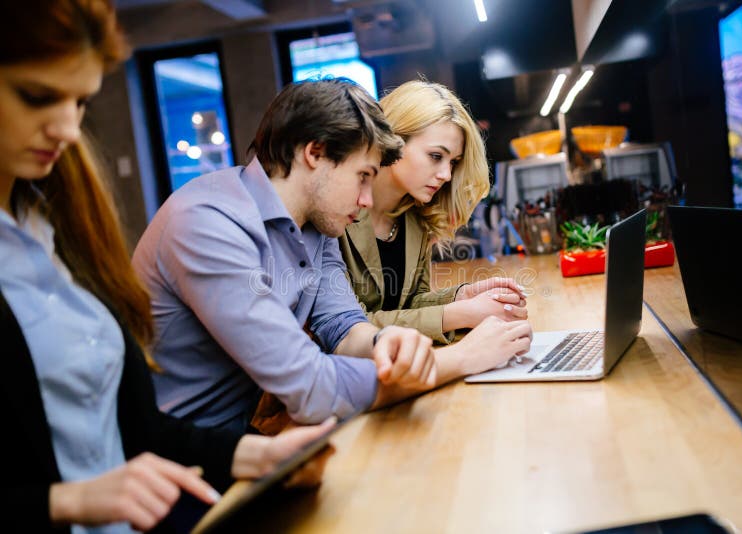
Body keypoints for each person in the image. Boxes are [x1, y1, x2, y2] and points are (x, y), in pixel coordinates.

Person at [0, 2, 338, 532]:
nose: (67, 129)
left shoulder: (57, 229)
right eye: (37, 97)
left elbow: (135, 429)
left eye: (82, 101)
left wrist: (256, 455)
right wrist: (65, 502)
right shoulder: (206, 220)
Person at [133, 77, 443, 436]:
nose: (366, 200)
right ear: (315, 153)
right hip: (168, 455)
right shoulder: (206, 222)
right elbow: (311, 388)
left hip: (239, 437)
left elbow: (341, 325)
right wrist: (458, 361)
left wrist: (383, 342)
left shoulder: (318, 224)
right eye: (362, 176)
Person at [338, 80, 532, 372]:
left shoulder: (415, 218)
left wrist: (462, 296)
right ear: (391, 140)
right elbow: (352, 328)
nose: (446, 174)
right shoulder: (336, 213)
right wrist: (459, 313)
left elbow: (408, 303)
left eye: (453, 162)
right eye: (435, 156)